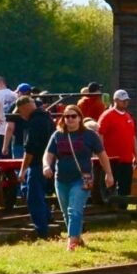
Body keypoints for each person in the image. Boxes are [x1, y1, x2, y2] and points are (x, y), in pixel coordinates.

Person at [44, 110, 101, 250]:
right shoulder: (58, 135)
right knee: (66, 211)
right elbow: (48, 153)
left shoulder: (90, 135)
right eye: (66, 116)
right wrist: (46, 165)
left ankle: (72, 242)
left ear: (80, 118)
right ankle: (77, 237)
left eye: (73, 116)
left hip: (82, 178)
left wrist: (109, 174)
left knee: (74, 209)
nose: (70, 119)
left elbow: (102, 154)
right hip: (61, 179)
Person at [11, 93, 56, 237]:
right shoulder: (47, 117)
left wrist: (23, 170)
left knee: (33, 197)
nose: (20, 115)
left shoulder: (35, 122)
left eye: (20, 111)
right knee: (34, 193)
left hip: (37, 164)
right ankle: (47, 217)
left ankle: (41, 230)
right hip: (49, 162)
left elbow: (30, 148)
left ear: (24, 108)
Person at [98, 90, 137, 212]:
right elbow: (100, 135)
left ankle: (122, 210)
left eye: (127, 100)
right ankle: (108, 210)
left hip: (126, 159)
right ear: (115, 100)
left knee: (125, 187)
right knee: (109, 185)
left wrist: (136, 155)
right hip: (111, 159)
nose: (125, 102)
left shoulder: (128, 116)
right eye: (122, 99)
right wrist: (100, 153)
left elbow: (133, 137)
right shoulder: (107, 115)